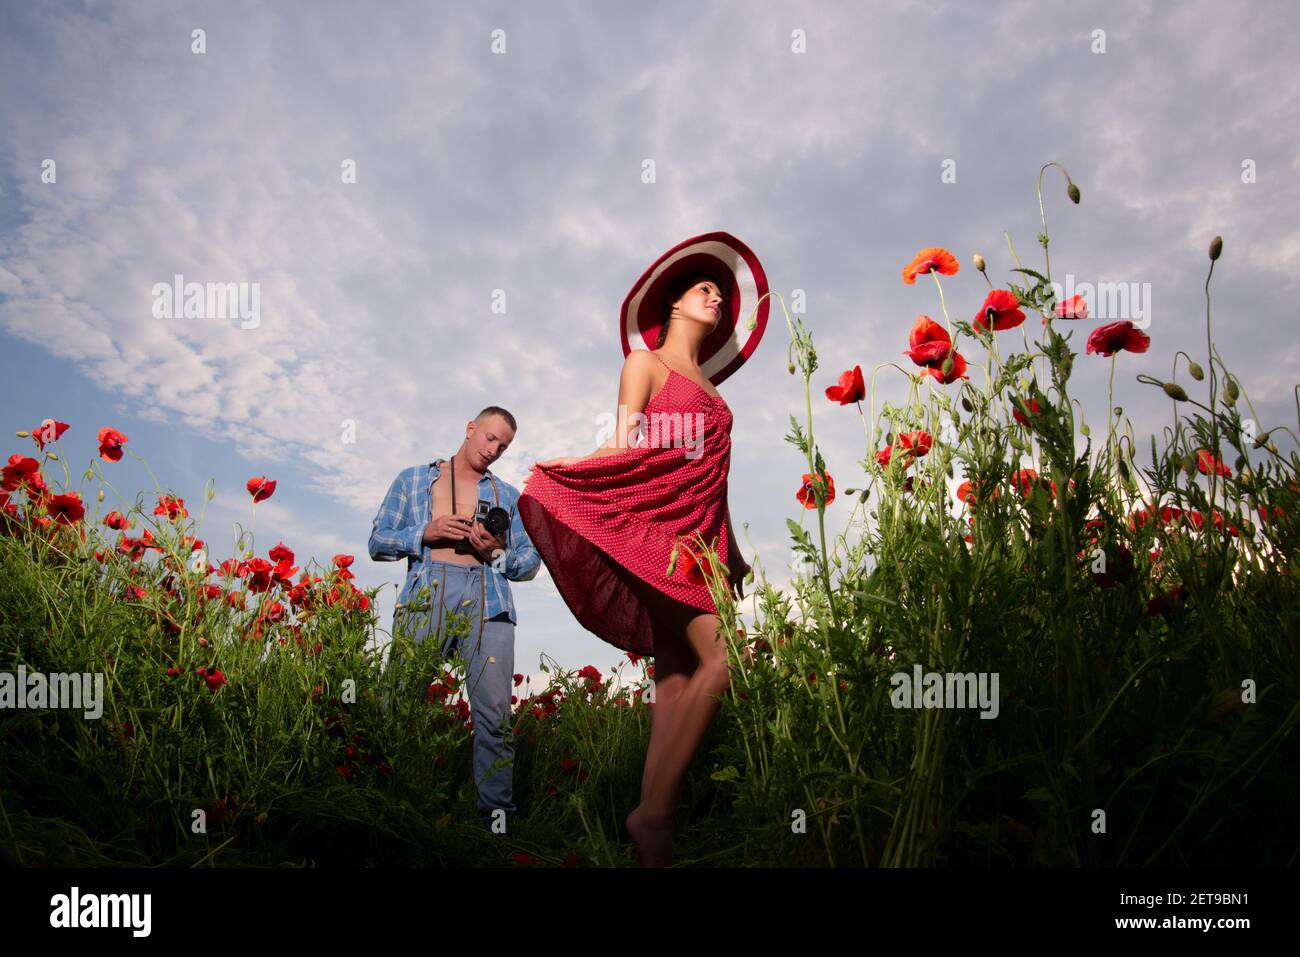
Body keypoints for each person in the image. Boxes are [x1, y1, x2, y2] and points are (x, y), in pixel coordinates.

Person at [518, 232, 769, 866]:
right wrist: (579, 467)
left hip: (704, 541)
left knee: (680, 676)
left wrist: (732, 552)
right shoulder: (645, 364)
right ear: (675, 303)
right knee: (725, 661)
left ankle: (650, 823)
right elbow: (625, 443)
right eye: (705, 289)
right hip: (658, 537)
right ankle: (653, 815)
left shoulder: (716, 394)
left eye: (721, 293)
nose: (716, 297)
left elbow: (716, 480)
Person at [368, 406, 540, 831]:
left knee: (494, 715)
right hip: (428, 593)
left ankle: (494, 825)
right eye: (488, 437)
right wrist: (425, 533)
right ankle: (395, 812)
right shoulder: (413, 480)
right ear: (470, 429)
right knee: (400, 702)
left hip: (489, 598)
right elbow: (377, 541)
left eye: (502, 445)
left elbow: (529, 563)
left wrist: (493, 553)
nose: (493, 449)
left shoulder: (509, 498)